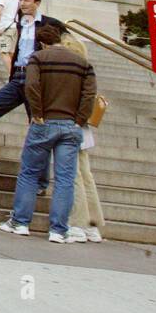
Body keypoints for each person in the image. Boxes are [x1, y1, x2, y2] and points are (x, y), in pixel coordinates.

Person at [0, 25, 95, 242]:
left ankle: (20, 222)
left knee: (30, 173)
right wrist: (79, 120)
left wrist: (38, 113)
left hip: (44, 122)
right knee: (65, 179)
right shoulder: (83, 63)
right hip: (70, 124)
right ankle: (58, 230)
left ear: (42, 43)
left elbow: (31, 86)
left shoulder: (38, 58)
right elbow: (89, 95)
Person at [0, 0, 67, 176]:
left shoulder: (50, 24)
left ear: (37, 3)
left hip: (36, 82)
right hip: (17, 78)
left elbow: (70, 47)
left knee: (38, 126)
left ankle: (40, 179)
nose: (22, 3)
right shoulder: (17, 24)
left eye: (27, 0)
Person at [61, 34, 106, 242]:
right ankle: (92, 224)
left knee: (75, 176)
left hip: (71, 125)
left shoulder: (72, 72)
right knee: (85, 175)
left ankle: (78, 222)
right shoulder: (87, 70)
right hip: (83, 128)